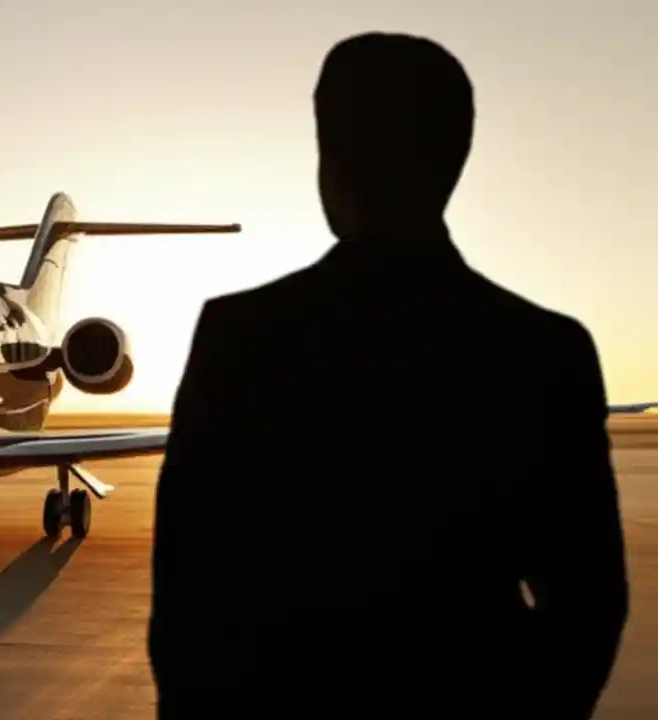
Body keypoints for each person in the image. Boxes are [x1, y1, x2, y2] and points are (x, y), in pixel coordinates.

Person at [148, 32, 629, 718]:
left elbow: (190, 605)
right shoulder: (546, 350)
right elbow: (589, 604)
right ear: (455, 163)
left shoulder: (241, 336)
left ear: (328, 160)